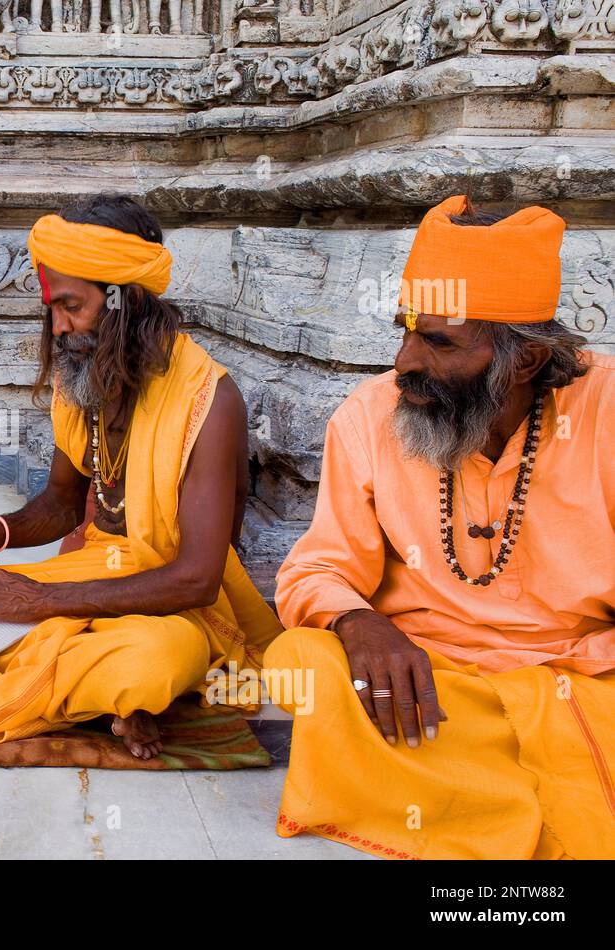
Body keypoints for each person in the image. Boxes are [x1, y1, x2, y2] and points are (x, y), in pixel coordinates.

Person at [0, 194, 281, 758]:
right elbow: (62, 505)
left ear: (125, 303)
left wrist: (44, 600)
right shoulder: (85, 383)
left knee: (158, 660)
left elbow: (195, 580)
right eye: (51, 308)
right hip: (88, 581)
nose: (58, 327)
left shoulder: (209, 401)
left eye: (71, 306)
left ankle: (100, 689)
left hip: (174, 606)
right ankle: (99, 697)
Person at [270, 195, 615, 858]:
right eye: (405, 330)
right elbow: (317, 568)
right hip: (429, 684)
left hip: (578, 681)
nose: (404, 362)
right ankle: (516, 796)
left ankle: (477, 802)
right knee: (303, 663)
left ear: (526, 361)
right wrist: (357, 621)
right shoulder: (370, 416)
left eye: (440, 341)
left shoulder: (602, 412)